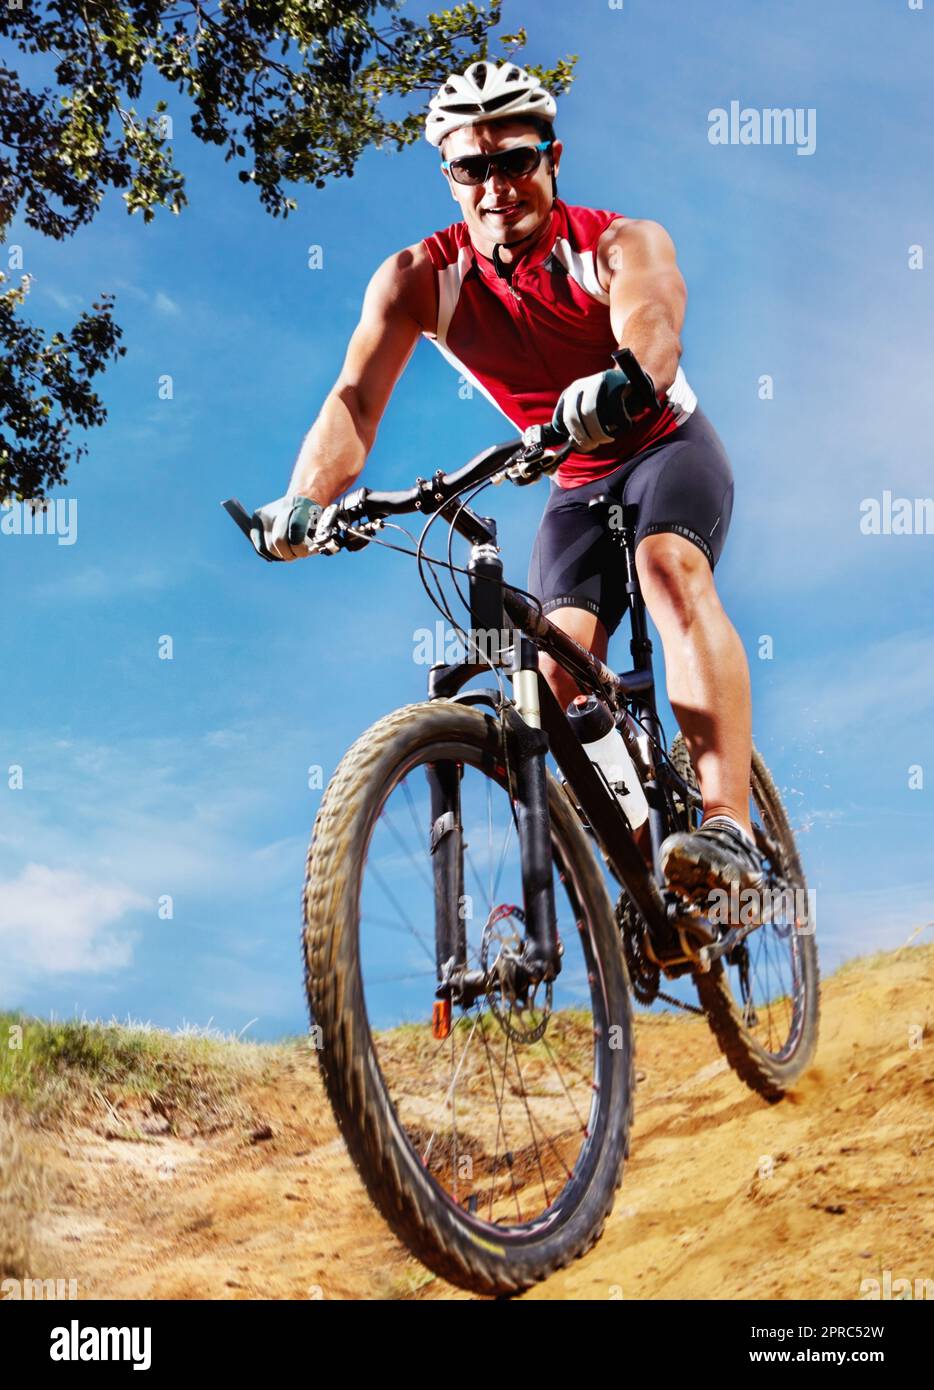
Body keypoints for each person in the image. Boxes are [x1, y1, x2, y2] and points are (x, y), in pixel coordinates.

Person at [250, 60, 764, 904]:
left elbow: (652, 315)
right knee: (553, 684)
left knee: (668, 569)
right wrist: (307, 500)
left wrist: (626, 375)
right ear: (449, 177)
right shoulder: (419, 278)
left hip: (666, 445)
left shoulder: (615, 242)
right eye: (472, 167)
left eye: (515, 159)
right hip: (577, 482)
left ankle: (726, 829)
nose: (497, 185)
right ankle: (652, 874)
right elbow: (354, 406)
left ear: (552, 160)